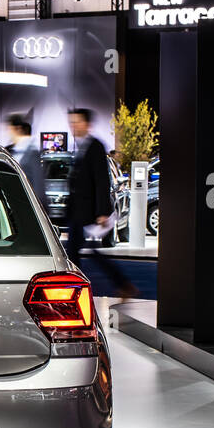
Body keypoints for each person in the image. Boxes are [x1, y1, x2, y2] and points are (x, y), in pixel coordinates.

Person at [65, 108, 136, 299]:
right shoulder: (80, 146)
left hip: (87, 212)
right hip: (78, 211)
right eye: (71, 122)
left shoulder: (95, 147)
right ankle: (119, 284)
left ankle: (80, 290)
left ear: (87, 124)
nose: (74, 126)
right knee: (80, 252)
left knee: (77, 251)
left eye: (77, 122)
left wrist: (102, 211)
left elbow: (101, 179)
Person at [5, 114, 45, 208]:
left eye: (9, 129)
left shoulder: (32, 152)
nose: (8, 133)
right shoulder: (11, 150)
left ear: (17, 129)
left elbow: (38, 187)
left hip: (27, 207)